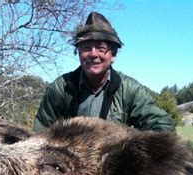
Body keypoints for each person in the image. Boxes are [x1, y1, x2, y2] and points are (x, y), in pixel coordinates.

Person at [34, 12, 175, 133]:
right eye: (86, 47)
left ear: (113, 55)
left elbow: (162, 124)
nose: (93, 54)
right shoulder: (60, 88)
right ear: (78, 52)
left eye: (101, 49)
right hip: (69, 161)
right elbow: (40, 134)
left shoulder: (129, 89)